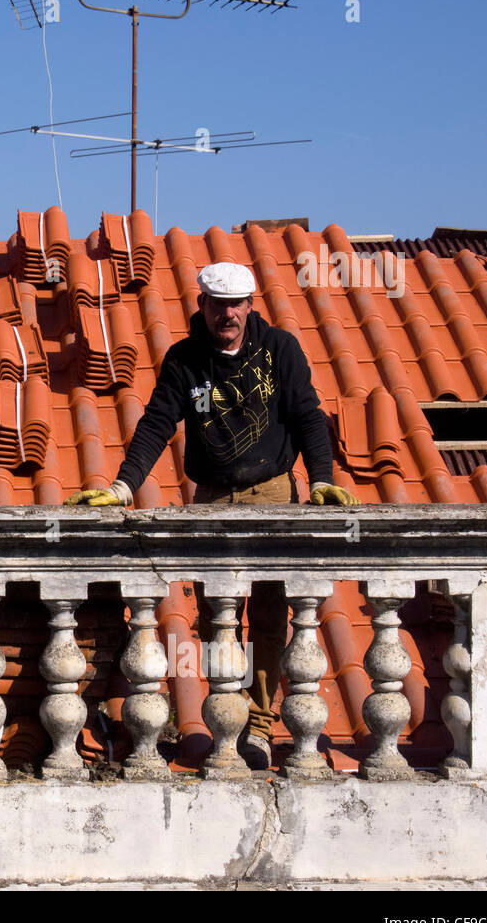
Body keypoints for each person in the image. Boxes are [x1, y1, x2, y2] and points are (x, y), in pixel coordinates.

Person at [67, 262, 359, 769]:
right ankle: (226, 715)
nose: (227, 314)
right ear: (200, 305)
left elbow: (307, 414)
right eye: (217, 304)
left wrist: (323, 479)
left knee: (269, 614)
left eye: (236, 304)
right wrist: (122, 486)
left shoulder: (280, 351)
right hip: (212, 498)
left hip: (272, 494)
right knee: (219, 614)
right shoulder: (184, 360)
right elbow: (157, 421)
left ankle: (260, 727)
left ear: (250, 305)